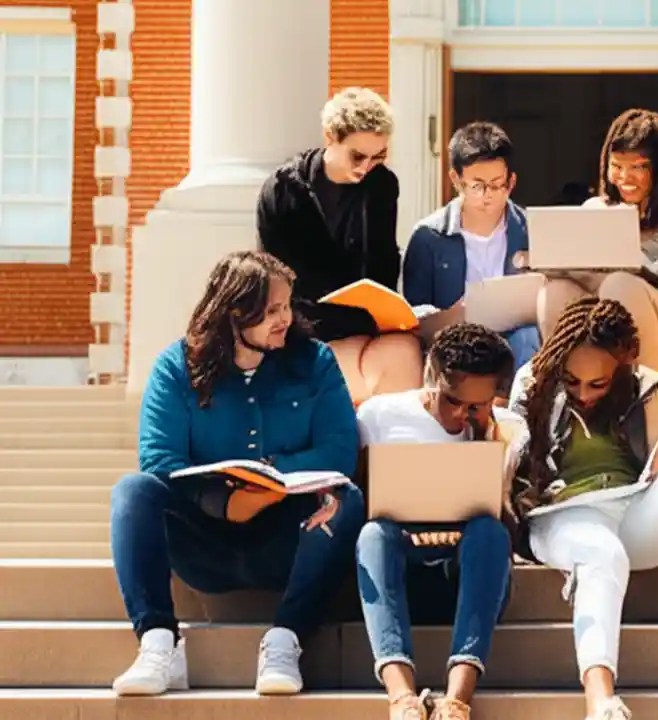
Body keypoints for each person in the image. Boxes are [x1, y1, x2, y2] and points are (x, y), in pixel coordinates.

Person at [109, 251, 364, 697]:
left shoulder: (315, 361)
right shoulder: (176, 366)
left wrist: (269, 479)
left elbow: (338, 451)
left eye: (287, 306)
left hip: (289, 538)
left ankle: (286, 641)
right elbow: (159, 460)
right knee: (133, 491)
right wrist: (223, 502)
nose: (285, 318)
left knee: (346, 497)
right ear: (233, 313)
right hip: (204, 542)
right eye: (271, 311)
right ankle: (158, 643)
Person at [509, 297, 658, 720]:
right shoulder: (532, 381)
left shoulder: (644, 384)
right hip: (562, 516)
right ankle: (601, 700)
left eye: (598, 383)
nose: (583, 393)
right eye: (572, 381)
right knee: (602, 553)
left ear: (622, 365)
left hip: (632, 509)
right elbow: (510, 460)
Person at [355, 323, 525, 720]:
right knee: (373, 535)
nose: (459, 414)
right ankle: (402, 697)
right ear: (430, 376)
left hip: (466, 577)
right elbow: (364, 499)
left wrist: (487, 438)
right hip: (400, 576)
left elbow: (508, 531)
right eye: (451, 401)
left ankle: (457, 699)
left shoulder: (504, 429)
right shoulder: (380, 415)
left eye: (475, 406)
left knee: (488, 532)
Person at [536, 109, 658, 402]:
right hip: (608, 340)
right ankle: (565, 400)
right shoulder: (595, 211)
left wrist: (624, 287)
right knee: (557, 290)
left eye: (639, 167)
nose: (625, 178)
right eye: (616, 166)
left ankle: (644, 408)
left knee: (621, 285)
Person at [258, 86, 423, 405]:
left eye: (379, 156)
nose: (366, 167)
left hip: (362, 327)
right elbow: (278, 279)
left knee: (404, 352)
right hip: (300, 331)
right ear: (330, 136)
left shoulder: (381, 185)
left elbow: (384, 263)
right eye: (358, 155)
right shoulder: (282, 191)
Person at [403, 121, 541, 370]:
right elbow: (413, 318)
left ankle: (519, 408)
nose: (488, 195)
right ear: (456, 179)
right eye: (477, 186)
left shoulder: (533, 231)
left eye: (498, 184)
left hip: (516, 344)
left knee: (528, 336)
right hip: (455, 344)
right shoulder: (429, 236)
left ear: (511, 181)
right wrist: (454, 315)